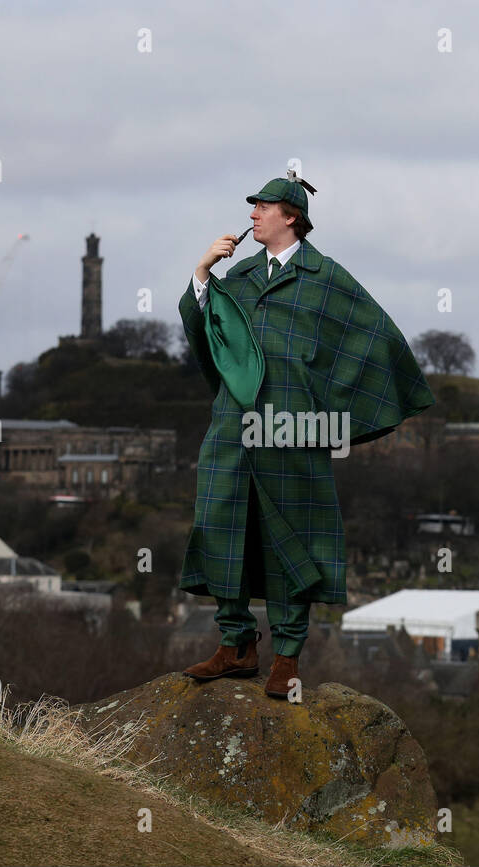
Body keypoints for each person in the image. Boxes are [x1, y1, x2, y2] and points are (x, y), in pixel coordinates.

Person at [178, 169, 435, 700]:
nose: (251, 214)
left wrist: (333, 409)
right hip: (231, 425)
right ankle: (236, 647)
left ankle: (287, 659)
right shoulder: (241, 277)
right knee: (222, 525)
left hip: (293, 428)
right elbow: (207, 336)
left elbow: (374, 339)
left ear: (290, 216)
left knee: (291, 538)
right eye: (252, 207)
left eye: (261, 207)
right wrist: (202, 273)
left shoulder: (327, 278)